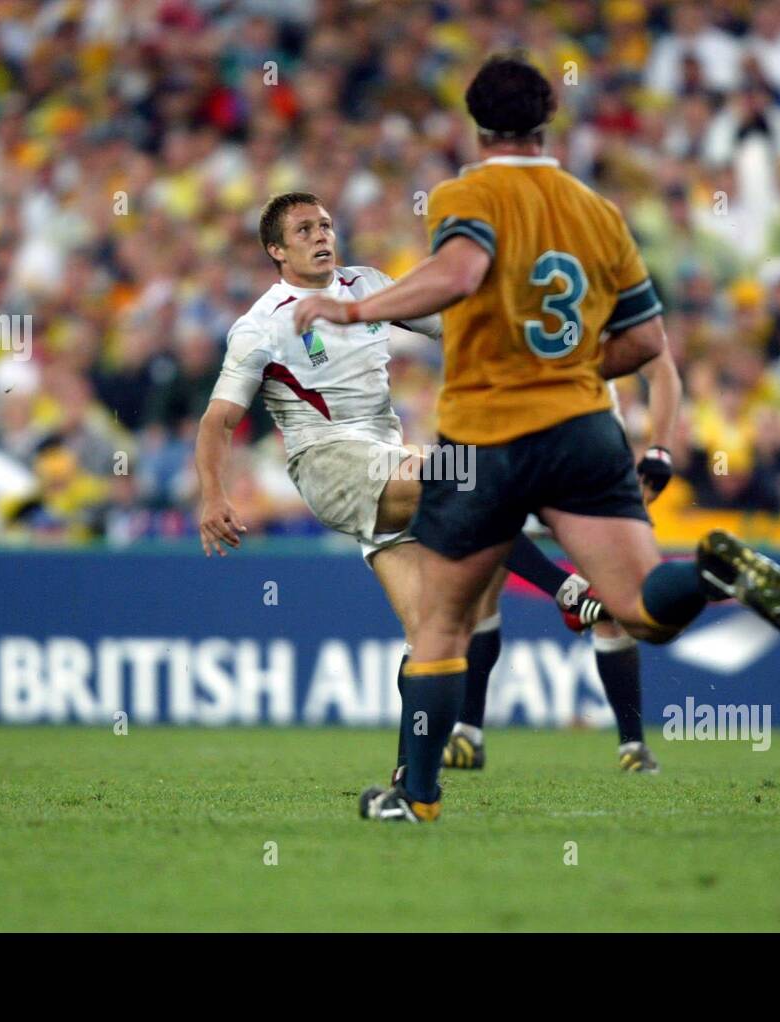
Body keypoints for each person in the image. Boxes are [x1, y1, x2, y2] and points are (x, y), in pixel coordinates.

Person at [293, 54, 780, 824]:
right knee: (635, 607)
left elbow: (463, 271)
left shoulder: (467, 193)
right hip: (583, 429)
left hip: (487, 436)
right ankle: (709, 577)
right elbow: (646, 344)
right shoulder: (597, 210)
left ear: (475, 125)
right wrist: (565, 362)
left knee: (441, 623)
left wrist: (355, 311)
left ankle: (417, 798)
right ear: (546, 124)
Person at [196, 191, 657, 786]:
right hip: (331, 462)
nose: (321, 236)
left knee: (436, 636)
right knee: (468, 474)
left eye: (326, 224)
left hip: (386, 465)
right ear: (276, 250)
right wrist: (214, 496)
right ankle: (569, 592)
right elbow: (219, 422)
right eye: (305, 229)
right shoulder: (261, 324)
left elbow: (451, 325)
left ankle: (407, 776)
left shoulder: (365, 285)